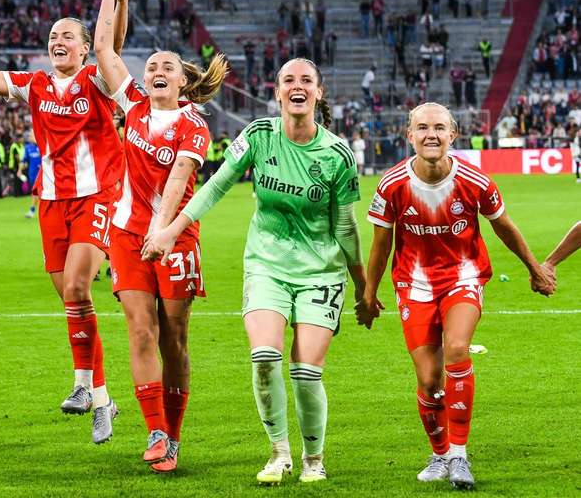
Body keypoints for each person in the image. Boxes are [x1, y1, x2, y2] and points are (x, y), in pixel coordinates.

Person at [145, 58, 365, 484]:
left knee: (305, 372)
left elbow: (345, 227)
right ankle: (279, 453)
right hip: (266, 265)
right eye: (288, 80)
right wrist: (172, 229)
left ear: (318, 94)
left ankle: (313, 460)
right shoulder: (258, 137)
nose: (296, 86)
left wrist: (362, 289)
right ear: (277, 92)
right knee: (265, 358)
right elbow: (216, 184)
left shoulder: (337, 154)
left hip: (321, 272)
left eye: (306, 81)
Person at [0, 0, 129, 443]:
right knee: (73, 299)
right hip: (50, 201)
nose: (59, 40)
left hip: (97, 196)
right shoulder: (33, 83)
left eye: (68, 35)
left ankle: (83, 387)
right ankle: (100, 397)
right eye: (54, 35)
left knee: (77, 285)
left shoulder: (96, 78)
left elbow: (109, 44)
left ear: (81, 46)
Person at [357, 102, 555, 490]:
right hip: (413, 284)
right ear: (409, 135)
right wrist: (368, 294)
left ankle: (460, 457)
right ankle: (440, 452)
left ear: (453, 135)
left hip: (463, 276)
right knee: (430, 380)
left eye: (439, 128)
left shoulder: (476, 181)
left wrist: (535, 268)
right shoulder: (392, 184)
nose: (431, 134)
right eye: (423, 128)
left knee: (458, 348)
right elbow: (381, 245)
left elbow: (505, 229)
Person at [94, 0, 227, 472]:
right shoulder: (133, 105)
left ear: (183, 81)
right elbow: (103, 46)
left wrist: (162, 231)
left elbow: (178, 180)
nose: (155, 69)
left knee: (174, 339)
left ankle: (173, 434)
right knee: (140, 330)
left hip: (176, 239)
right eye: (151, 64)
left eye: (166, 65)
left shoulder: (192, 125)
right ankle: (154, 431)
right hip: (127, 235)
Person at [23, 130, 42, 218]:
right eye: (30, 135)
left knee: (40, 193)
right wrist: (19, 170)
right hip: (33, 174)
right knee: (35, 193)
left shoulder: (43, 145)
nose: (30, 137)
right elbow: (24, 161)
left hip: (43, 174)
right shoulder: (28, 148)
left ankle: (33, 210)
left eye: (31, 135)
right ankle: (34, 210)